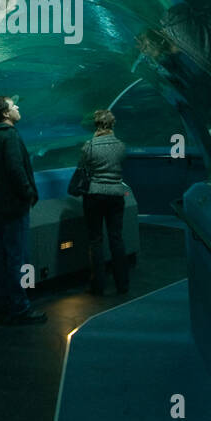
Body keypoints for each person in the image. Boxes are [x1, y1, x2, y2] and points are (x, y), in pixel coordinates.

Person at [0, 95, 47, 325]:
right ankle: (20, 307)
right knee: (19, 258)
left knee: (1, 257)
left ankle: (1, 303)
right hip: (14, 208)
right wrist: (29, 193)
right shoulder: (9, 137)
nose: (18, 107)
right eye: (14, 105)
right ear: (6, 113)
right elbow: (16, 169)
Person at [76, 109, 130, 295]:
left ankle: (98, 285)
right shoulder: (121, 146)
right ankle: (122, 284)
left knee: (96, 240)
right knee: (116, 238)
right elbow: (122, 162)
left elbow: (82, 167)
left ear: (95, 125)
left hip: (94, 195)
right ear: (112, 124)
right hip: (116, 194)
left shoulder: (89, 146)